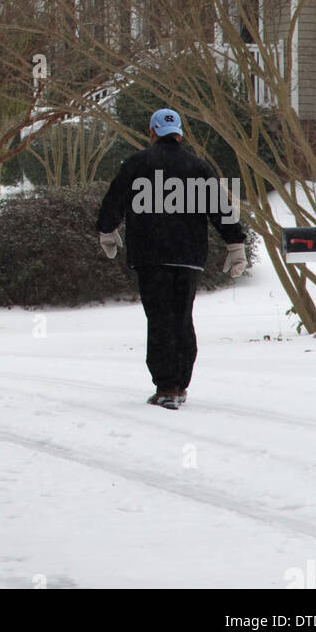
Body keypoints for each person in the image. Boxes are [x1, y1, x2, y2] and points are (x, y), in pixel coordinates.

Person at [96, 108, 247, 410]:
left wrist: (107, 229)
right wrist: (235, 243)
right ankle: (180, 383)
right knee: (182, 317)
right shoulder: (198, 167)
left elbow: (115, 198)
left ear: (152, 133)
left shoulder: (137, 164)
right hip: (188, 257)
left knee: (160, 319)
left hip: (150, 257)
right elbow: (219, 206)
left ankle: (166, 386)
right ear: (179, 134)